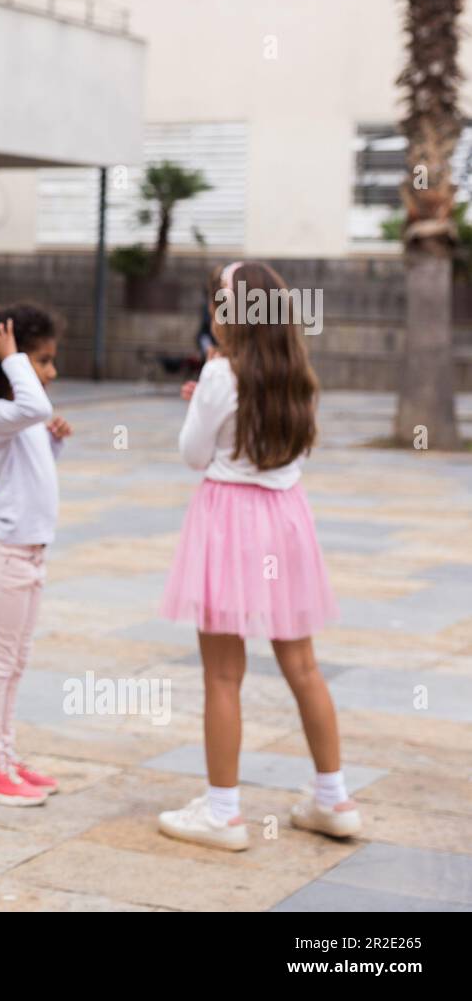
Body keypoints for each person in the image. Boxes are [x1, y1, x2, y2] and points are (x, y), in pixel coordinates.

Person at [158, 260, 357, 852]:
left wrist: (201, 404)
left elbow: (195, 455)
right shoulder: (296, 374)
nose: (214, 314)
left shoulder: (222, 376)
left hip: (230, 522)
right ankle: (334, 799)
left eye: (219, 303)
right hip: (286, 521)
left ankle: (223, 812)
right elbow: (274, 442)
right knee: (303, 666)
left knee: (223, 673)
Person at [0, 303, 71, 807]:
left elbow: (31, 471)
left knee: (17, 661)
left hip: (30, 554)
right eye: (41, 361)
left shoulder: (19, 415)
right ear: (8, 361)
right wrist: (11, 358)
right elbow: (34, 407)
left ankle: (4, 755)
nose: (51, 372)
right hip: (3, 553)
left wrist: (53, 445)